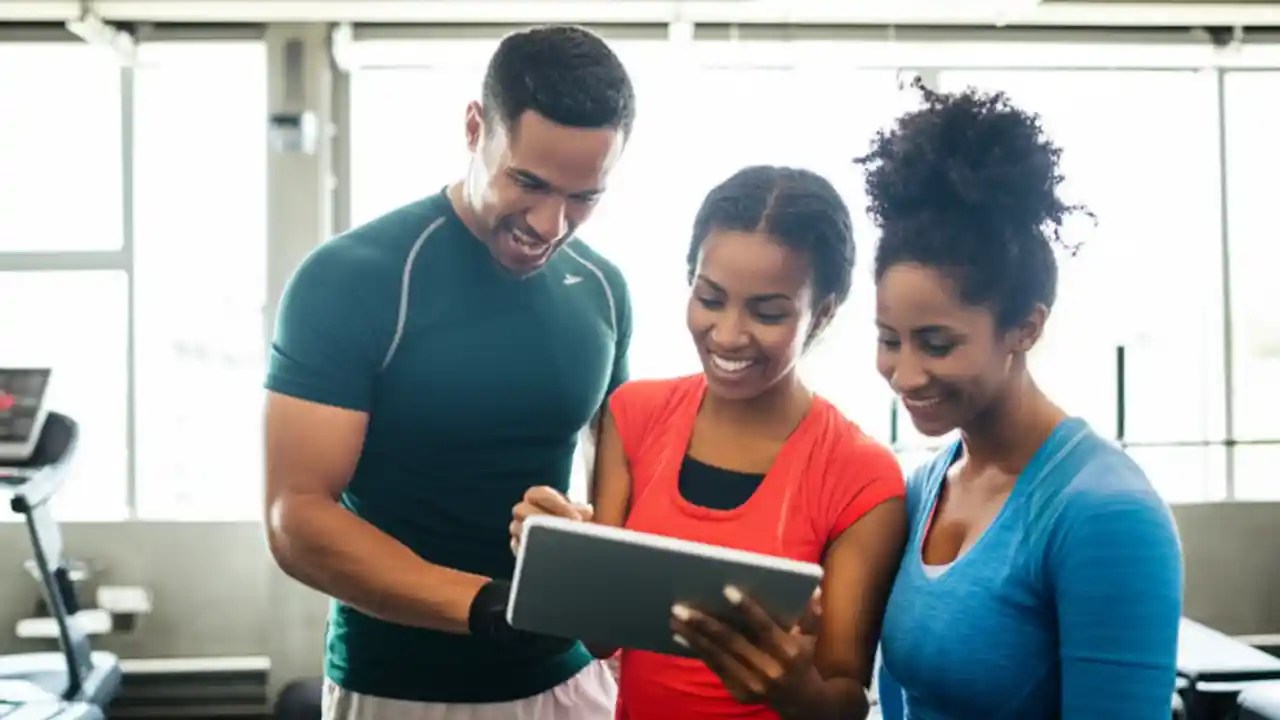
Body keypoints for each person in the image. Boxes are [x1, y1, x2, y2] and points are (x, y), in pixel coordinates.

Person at [263, 24, 636, 720]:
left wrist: (587, 536)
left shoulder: (604, 290)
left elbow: (620, 497)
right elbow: (297, 518)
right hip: (399, 686)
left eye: (584, 196)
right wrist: (488, 606)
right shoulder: (353, 278)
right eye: (527, 181)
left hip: (570, 683)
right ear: (475, 128)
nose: (550, 223)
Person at [511, 165, 909, 719]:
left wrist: (791, 685)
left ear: (823, 312)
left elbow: (845, 703)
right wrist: (562, 556)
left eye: (768, 312)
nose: (727, 334)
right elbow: (604, 641)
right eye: (711, 298)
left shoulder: (862, 477)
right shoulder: (635, 416)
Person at [859, 79, 1184, 718]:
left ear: (1026, 328)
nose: (904, 373)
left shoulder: (1106, 514)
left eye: (936, 343)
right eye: (889, 339)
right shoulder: (927, 486)